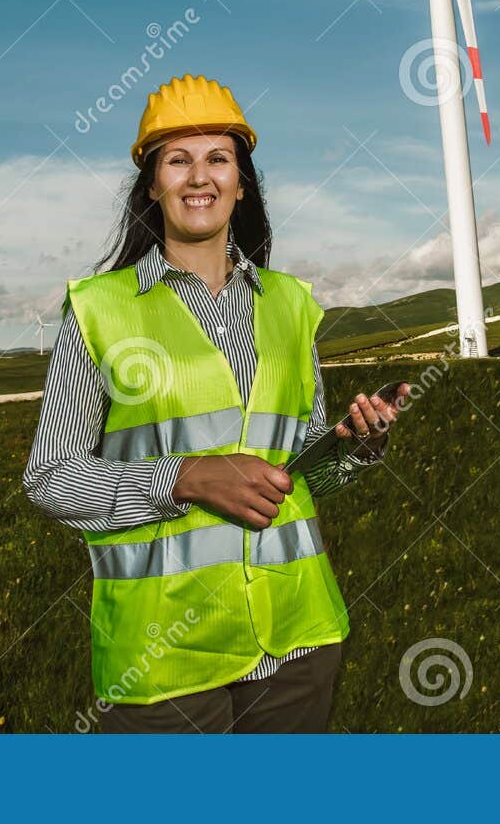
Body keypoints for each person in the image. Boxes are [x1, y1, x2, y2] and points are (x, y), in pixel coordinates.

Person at [24, 73, 409, 733]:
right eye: (177, 159)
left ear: (241, 181)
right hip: (163, 656)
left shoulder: (292, 304)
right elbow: (50, 479)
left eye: (218, 158)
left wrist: (353, 445)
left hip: (297, 637)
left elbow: (298, 479)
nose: (198, 176)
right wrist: (183, 476)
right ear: (153, 183)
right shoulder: (98, 310)